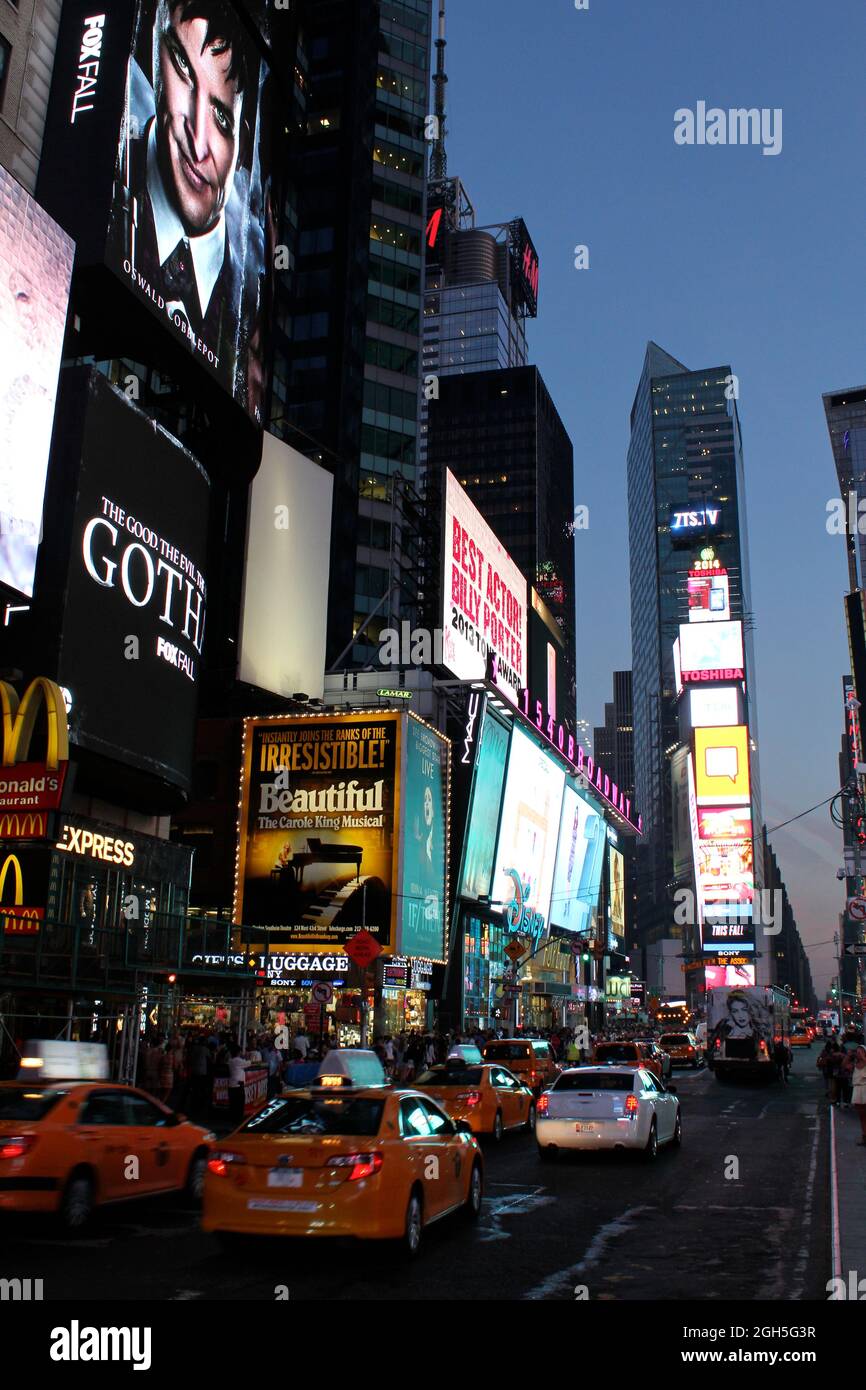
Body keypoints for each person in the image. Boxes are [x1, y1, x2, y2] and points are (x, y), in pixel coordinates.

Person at [108, 0, 260, 401]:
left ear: (243, 145)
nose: (196, 140)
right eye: (182, 68)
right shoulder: (102, 173)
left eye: (221, 118)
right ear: (157, 56)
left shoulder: (250, 304)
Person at [227, 1043, 246, 1128]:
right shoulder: (238, 1060)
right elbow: (249, 1063)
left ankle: (233, 1120)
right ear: (238, 1052)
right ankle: (238, 1121)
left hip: (231, 1084)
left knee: (233, 1104)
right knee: (239, 1103)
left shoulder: (230, 1060)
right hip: (238, 1084)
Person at [851, 1047, 866, 1145]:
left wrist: (863, 1057)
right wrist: (849, 1056)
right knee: (861, 1116)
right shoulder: (855, 1064)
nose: (858, 1053)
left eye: (860, 1051)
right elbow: (844, 1065)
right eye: (857, 1051)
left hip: (865, 1088)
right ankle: (864, 1137)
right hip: (857, 1089)